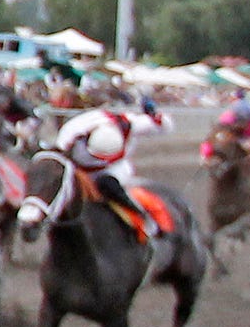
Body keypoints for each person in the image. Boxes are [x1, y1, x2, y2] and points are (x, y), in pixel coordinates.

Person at [54, 94, 171, 234]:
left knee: (108, 183)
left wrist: (154, 114)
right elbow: (56, 156)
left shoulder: (129, 123)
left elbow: (165, 127)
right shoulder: (72, 132)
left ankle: (141, 215)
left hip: (114, 168)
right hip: (79, 170)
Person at [200, 94, 250, 168]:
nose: (243, 125)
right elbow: (211, 138)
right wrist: (206, 154)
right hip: (239, 139)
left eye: (245, 121)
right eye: (240, 122)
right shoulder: (227, 118)